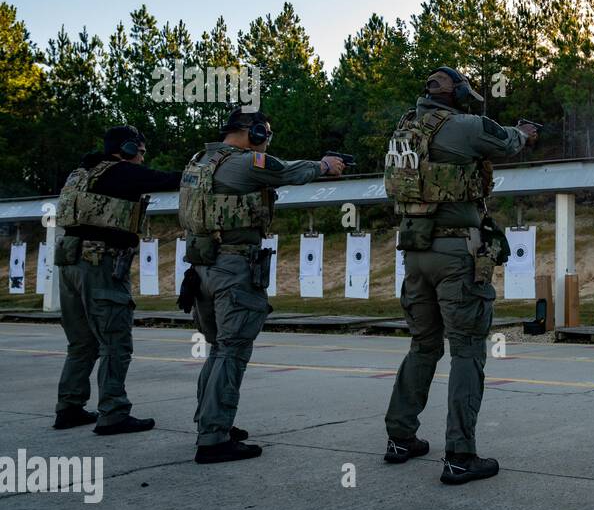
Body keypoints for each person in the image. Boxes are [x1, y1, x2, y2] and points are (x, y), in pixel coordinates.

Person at [381, 67, 534, 484]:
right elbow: (507, 142)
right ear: (460, 92)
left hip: (415, 252)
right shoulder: (462, 126)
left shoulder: (405, 130)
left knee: (423, 346)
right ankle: (460, 455)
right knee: (466, 349)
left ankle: (400, 437)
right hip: (455, 253)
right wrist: (524, 132)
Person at [178, 109, 344, 464]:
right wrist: (326, 165)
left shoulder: (200, 161)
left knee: (218, 348)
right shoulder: (244, 163)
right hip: (233, 267)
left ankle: (211, 422)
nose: (267, 139)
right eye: (264, 133)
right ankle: (213, 438)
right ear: (251, 132)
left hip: (202, 269)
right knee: (232, 349)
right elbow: (286, 171)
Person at [52, 126, 181, 434]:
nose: (142, 157)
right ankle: (113, 411)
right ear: (125, 148)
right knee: (115, 341)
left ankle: (69, 407)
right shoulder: (122, 172)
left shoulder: (81, 172)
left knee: (81, 342)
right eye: (139, 150)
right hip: (100, 264)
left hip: (70, 263)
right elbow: (171, 179)